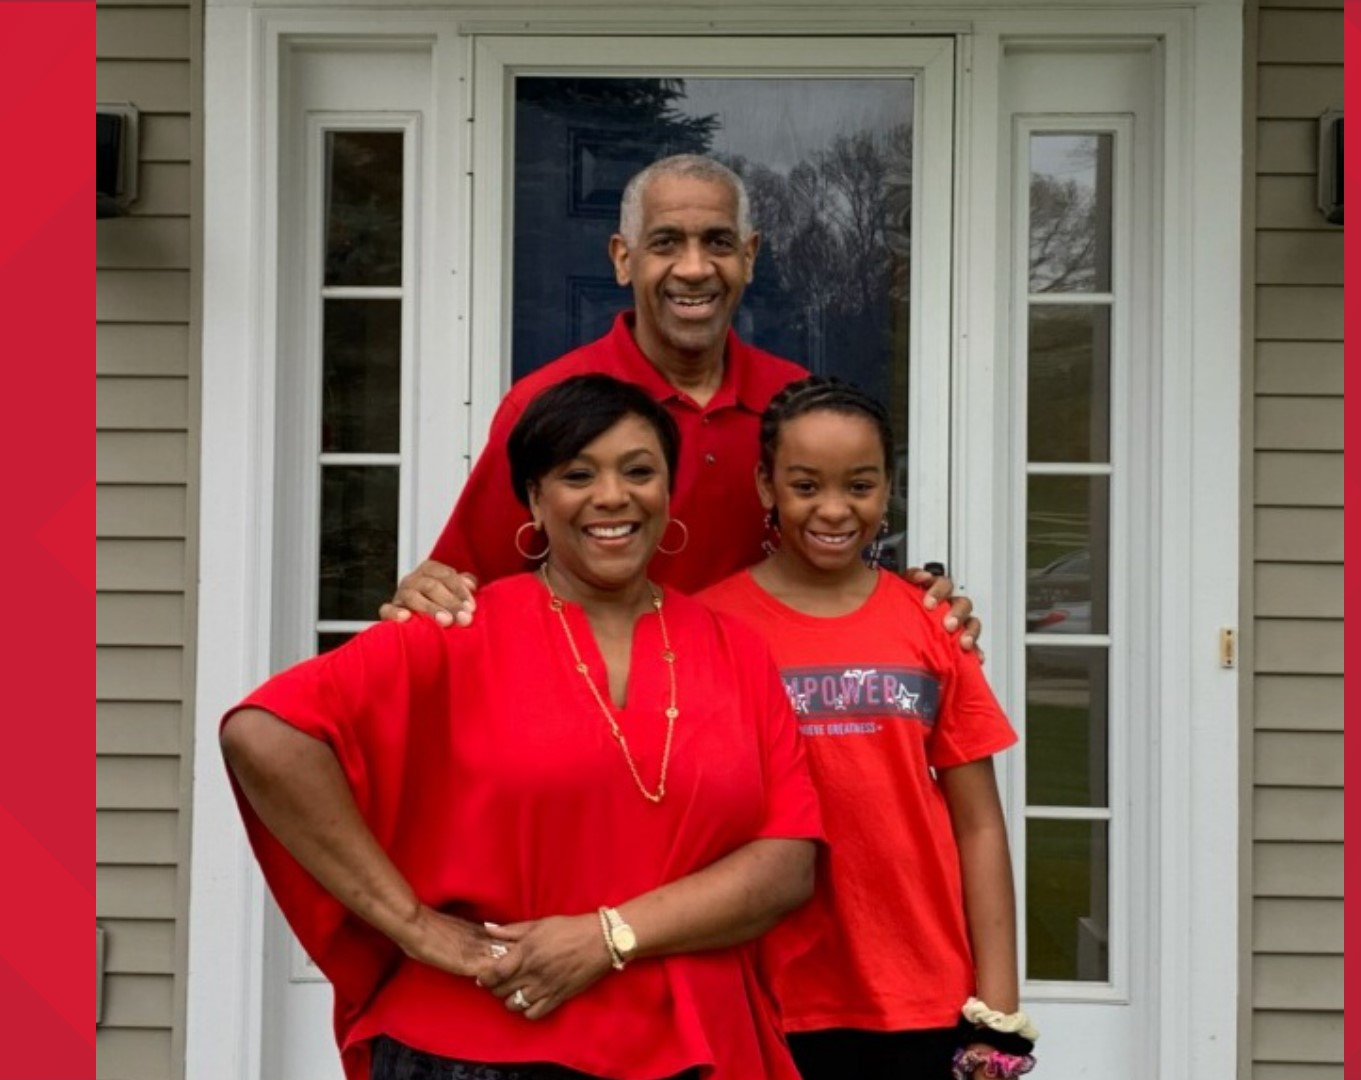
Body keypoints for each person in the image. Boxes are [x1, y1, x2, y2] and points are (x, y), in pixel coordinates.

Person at [222, 374, 825, 1080]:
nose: (612, 496)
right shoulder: (456, 631)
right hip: (475, 1045)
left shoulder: (735, 649)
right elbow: (265, 736)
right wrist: (411, 924)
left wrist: (607, 937)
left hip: (694, 1045)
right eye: (578, 475)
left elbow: (787, 863)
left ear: (669, 491)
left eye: (639, 472)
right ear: (535, 500)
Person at [382, 154, 980, 650]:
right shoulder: (546, 403)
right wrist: (430, 593)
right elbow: (464, 589)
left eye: (718, 242)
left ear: (748, 257)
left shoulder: (797, 405)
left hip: (766, 717)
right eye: (666, 242)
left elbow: (836, 554)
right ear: (624, 258)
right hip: (602, 714)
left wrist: (916, 607)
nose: (694, 269)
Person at [697, 378, 1037, 1080]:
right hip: (765, 992)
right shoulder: (709, 626)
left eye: (859, 485)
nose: (834, 509)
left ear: (887, 489)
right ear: (765, 486)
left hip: (921, 993)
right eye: (805, 485)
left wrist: (999, 1012)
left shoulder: (930, 624)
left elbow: (978, 824)